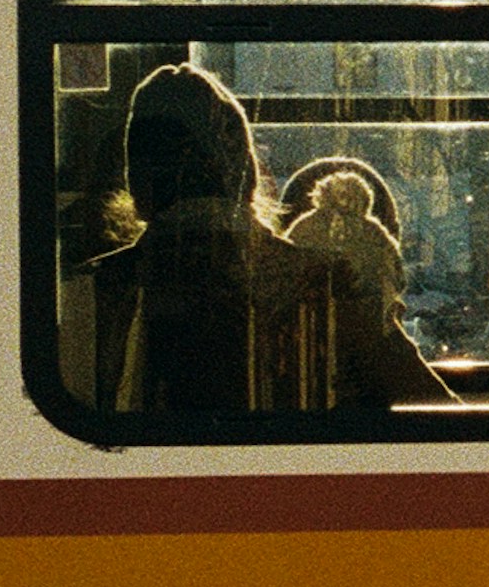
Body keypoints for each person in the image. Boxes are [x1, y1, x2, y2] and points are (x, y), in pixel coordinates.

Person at [72, 67, 452, 413]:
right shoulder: (325, 284)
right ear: (248, 172)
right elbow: (432, 408)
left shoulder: (97, 289)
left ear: (138, 185)